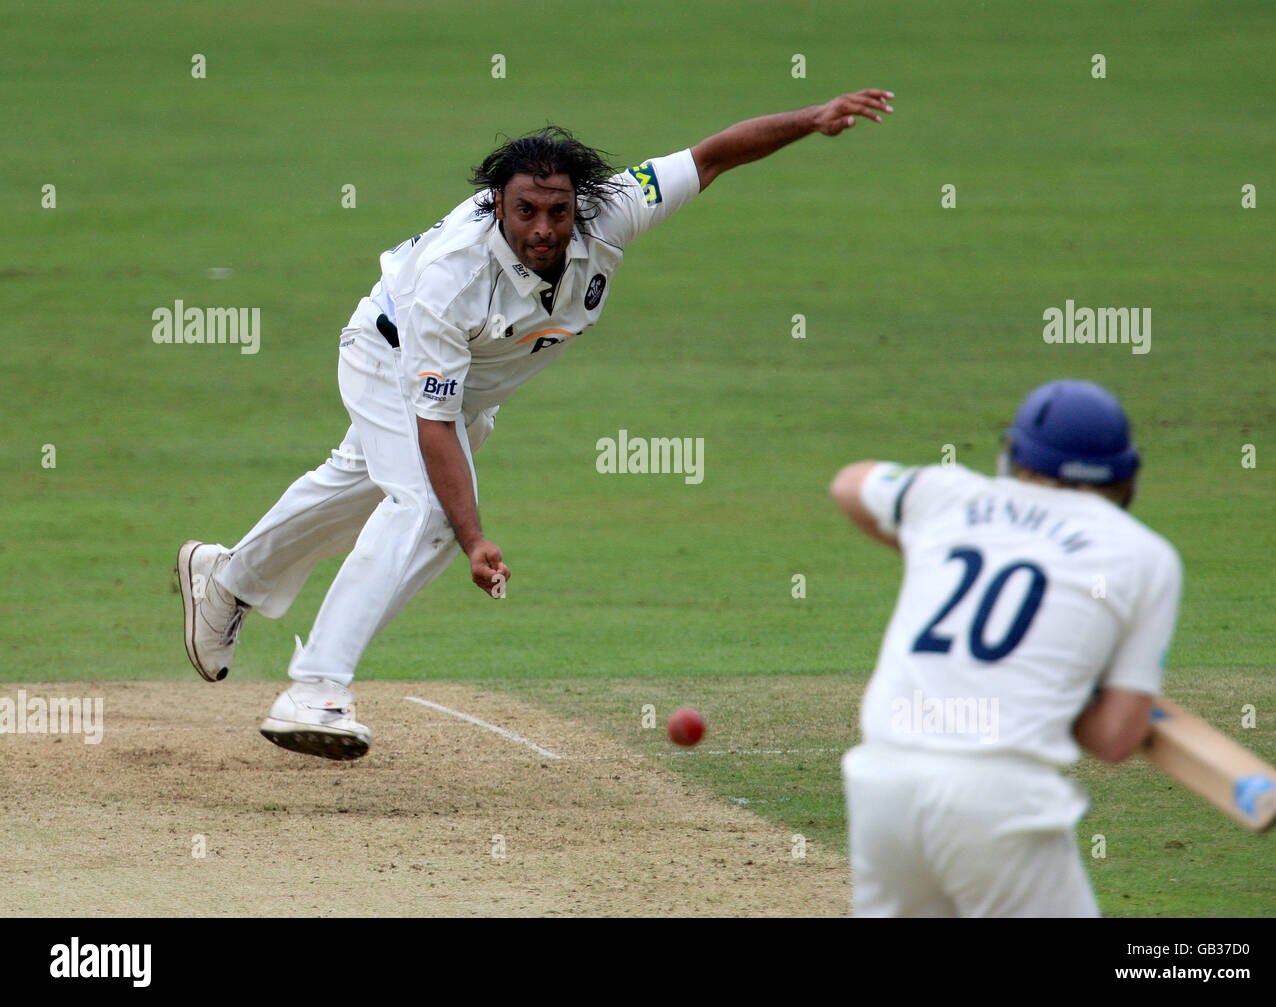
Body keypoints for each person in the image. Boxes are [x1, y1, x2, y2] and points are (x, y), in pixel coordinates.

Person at [177, 88, 896, 761]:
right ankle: (316, 689)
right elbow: (433, 430)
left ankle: (227, 578)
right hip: (388, 352)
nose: (544, 228)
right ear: (497, 204)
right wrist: (474, 536)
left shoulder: (611, 209)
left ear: (578, 202)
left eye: (557, 210)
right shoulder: (450, 276)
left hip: (469, 393)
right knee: (424, 507)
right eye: (526, 211)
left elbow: (712, 156)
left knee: (354, 490)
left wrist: (814, 117)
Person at [830, 379, 1182, 917]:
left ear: (1014, 455)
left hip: (882, 785)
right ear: (1125, 475)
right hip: (997, 800)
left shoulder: (946, 494)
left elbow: (849, 484)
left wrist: (925, 547)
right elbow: (1115, 738)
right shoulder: (1145, 557)